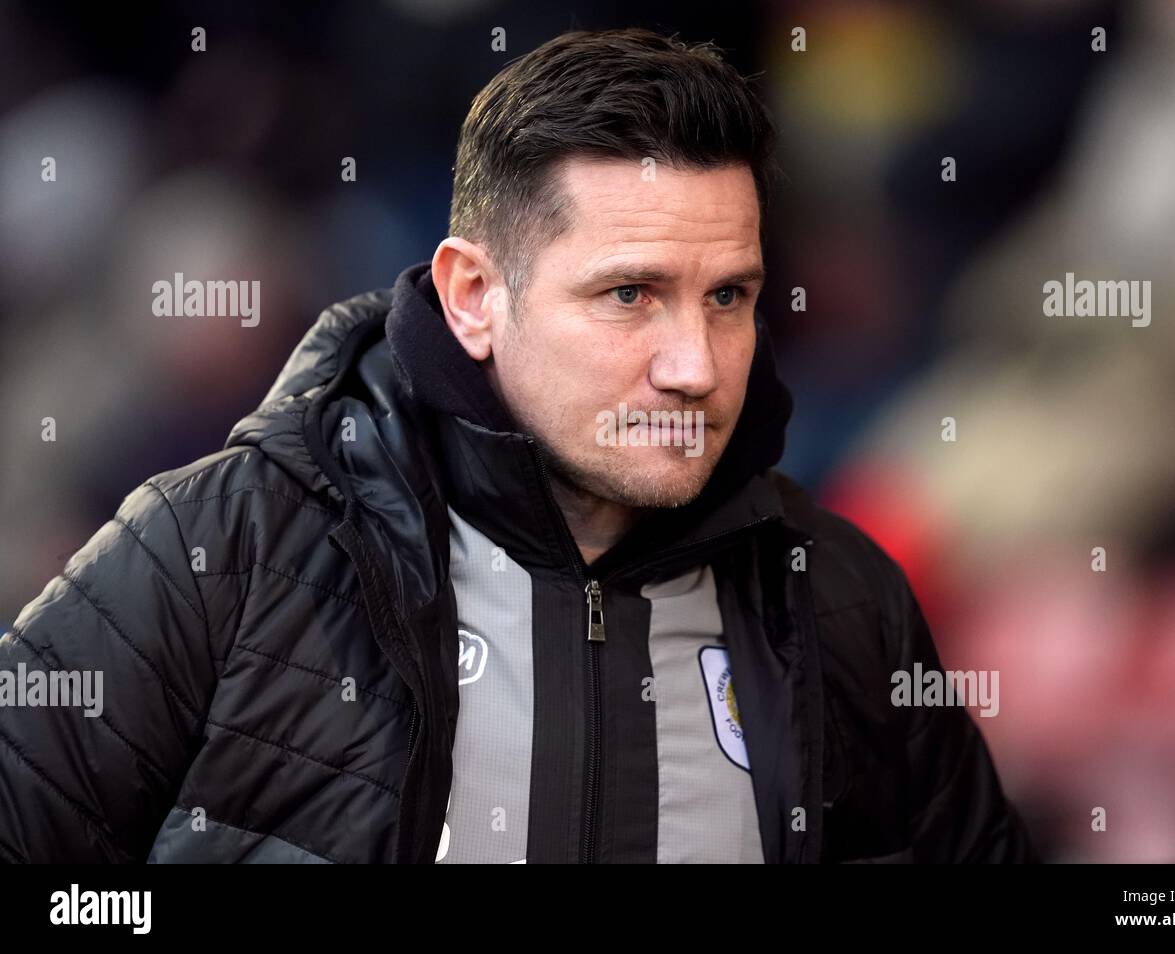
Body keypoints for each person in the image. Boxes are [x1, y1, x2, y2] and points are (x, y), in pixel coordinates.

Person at [0, 28, 1035, 863]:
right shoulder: (222, 550)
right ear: (473, 297)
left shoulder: (840, 599)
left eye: (729, 297)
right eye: (629, 294)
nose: (695, 363)